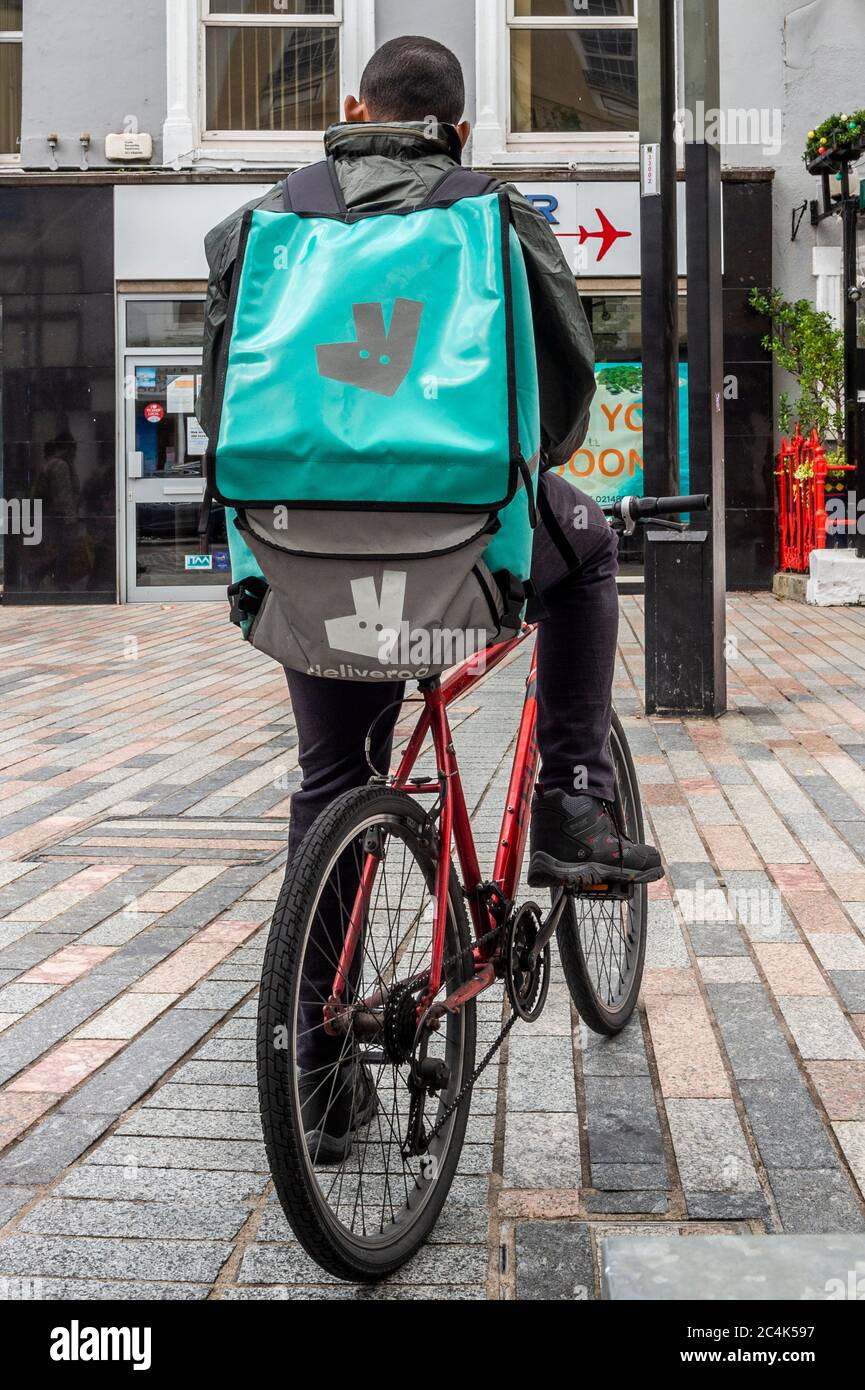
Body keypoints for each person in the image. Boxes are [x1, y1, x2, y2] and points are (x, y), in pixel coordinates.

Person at [198, 36, 662, 1158]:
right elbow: (558, 411)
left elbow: (222, 409)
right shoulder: (495, 217)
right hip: (461, 539)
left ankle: (317, 1078)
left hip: (299, 548)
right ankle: (569, 790)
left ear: (355, 110)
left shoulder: (260, 224)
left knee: (330, 779)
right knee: (590, 548)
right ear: (459, 129)